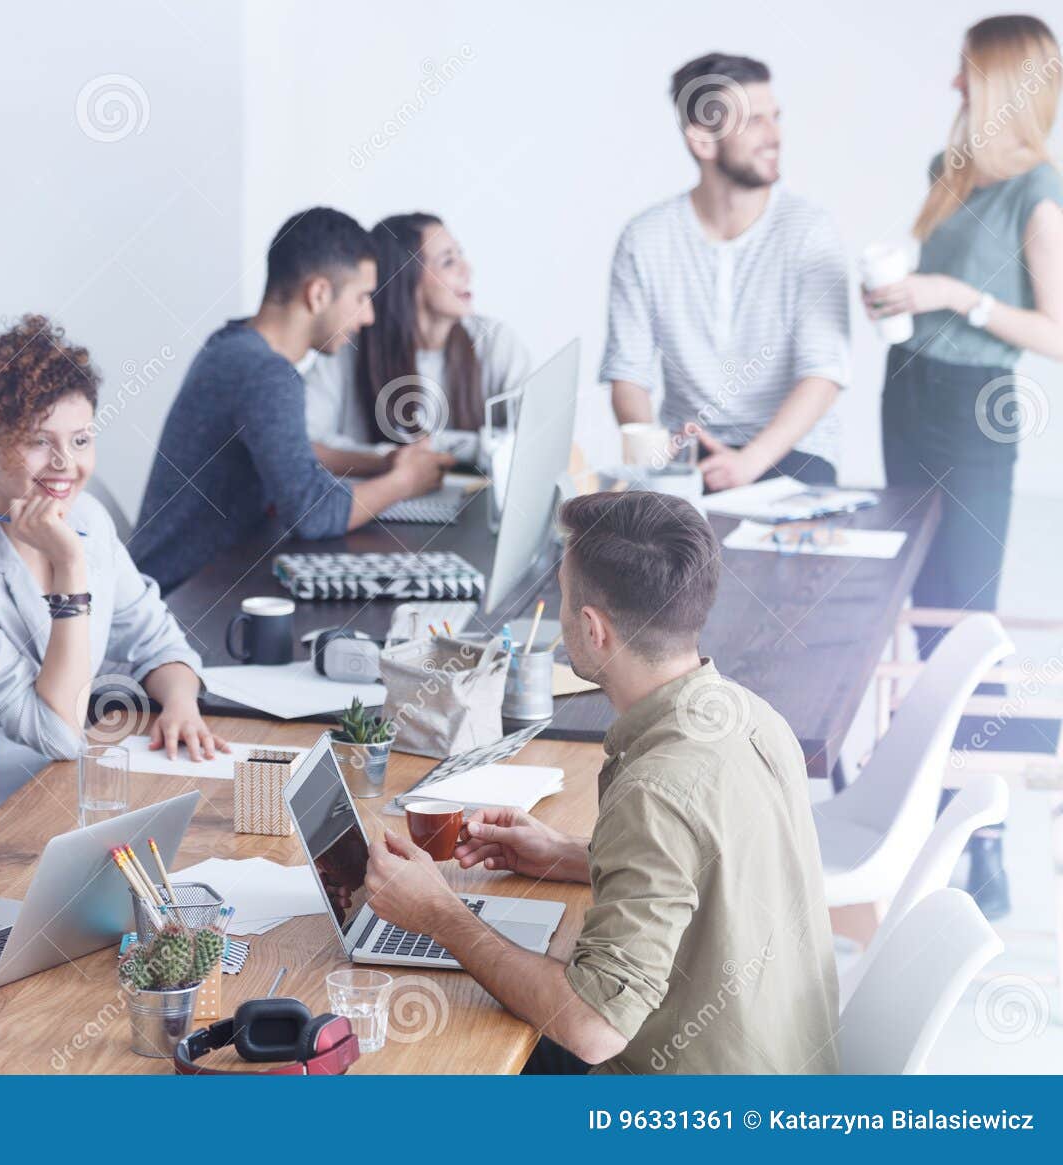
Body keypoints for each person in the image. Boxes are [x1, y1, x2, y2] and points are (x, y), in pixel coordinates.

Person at [361, 490, 839, 1074]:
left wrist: (439, 914)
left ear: (592, 628)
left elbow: (595, 1028)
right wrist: (570, 856)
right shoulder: (749, 715)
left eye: (561, 598)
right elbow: (715, 874)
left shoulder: (655, 791)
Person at [862, 14, 1062, 921]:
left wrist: (954, 296)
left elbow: (1055, 335)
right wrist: (900, 300)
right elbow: (932, 288)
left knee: (965, 625)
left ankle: (985, 843)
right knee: (914, 615)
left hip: (979, 415)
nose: (951, 86)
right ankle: (928, 821)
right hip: (908, 393)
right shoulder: (947, 174)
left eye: (965, 73)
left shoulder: (1041, 194)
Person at [0, 314, 225, 809]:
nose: (66, 466)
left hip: (56, 785)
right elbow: (56, 733)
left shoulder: (88, 517)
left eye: (80, 440)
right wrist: (70, 567)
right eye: (39, 441)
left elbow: (155, 638)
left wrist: (180, 702)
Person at [130, 207, 452, 592]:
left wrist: (381, 463)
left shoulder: (234, 346)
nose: (368, 317)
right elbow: (313, 513)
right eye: (362, 297)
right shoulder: (266, 374)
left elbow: (290, 450)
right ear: (318, 294)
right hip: (181, 602)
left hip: (194, 585)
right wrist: (405, 481)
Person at [603, 53, 851, 490]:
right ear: (703, 141)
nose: (775, 135)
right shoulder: (644, 238)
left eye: (775, 117)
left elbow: (824, 372)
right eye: (755, 121)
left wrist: (748, 463)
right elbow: (628, 374)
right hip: (688, 450)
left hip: (790, 450)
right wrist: (655, 455)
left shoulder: (810, 230)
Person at [302, 212, 536, 473]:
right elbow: (302, 444)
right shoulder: (348, 346)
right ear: (406, 278)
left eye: (460, 255)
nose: (467, 270)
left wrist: (436, 445)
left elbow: (534, 439)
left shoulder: (494, 342)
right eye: (448, 262)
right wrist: (388, 460)